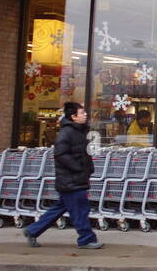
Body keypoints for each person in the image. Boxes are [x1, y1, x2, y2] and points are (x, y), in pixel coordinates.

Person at [24, 102, 102, 249]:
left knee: (59, 208)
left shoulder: (78, 131)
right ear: (73, 116)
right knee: (80, 210)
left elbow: (82, 153)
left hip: (75, 178)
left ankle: (32, 230)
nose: (85, 114)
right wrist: (78, 168)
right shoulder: (67, 132)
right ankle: (86, 239)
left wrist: (88, 168)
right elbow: (60, 154)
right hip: (71, 179)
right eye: (82, 112)